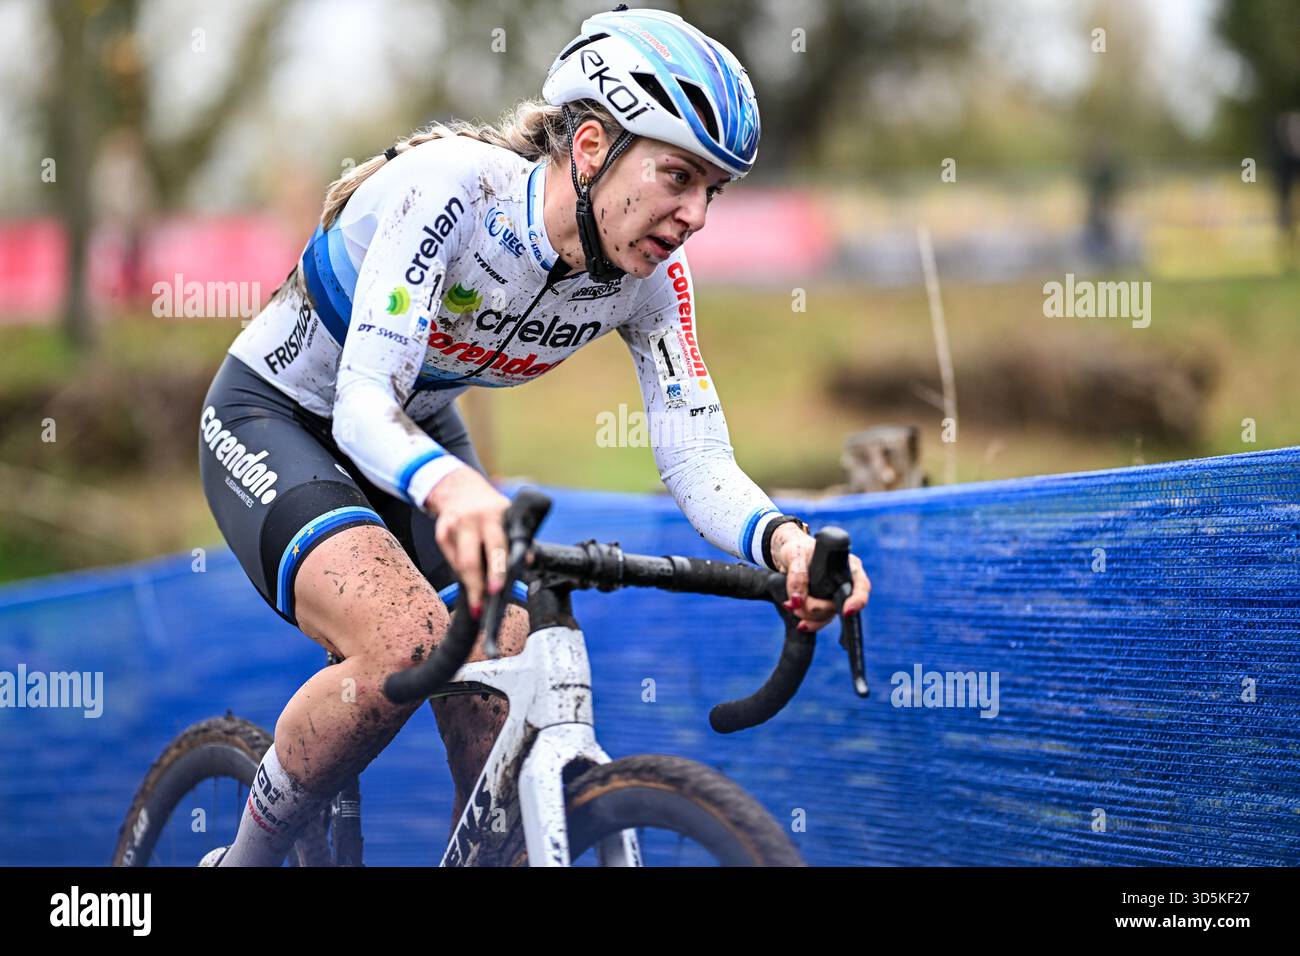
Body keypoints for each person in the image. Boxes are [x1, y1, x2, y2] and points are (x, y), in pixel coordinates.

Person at [196, 6, 870, 866]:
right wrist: (450, 487)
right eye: (678, 177)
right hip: (280, 416)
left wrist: (785, 542)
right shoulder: (451, 190)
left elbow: (694, 453)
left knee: (506, 672)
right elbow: (364, 401)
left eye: (714, 190)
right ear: (591, 149)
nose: (696, 215)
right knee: (404, 640)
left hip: (417, 428)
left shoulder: (652, 280)